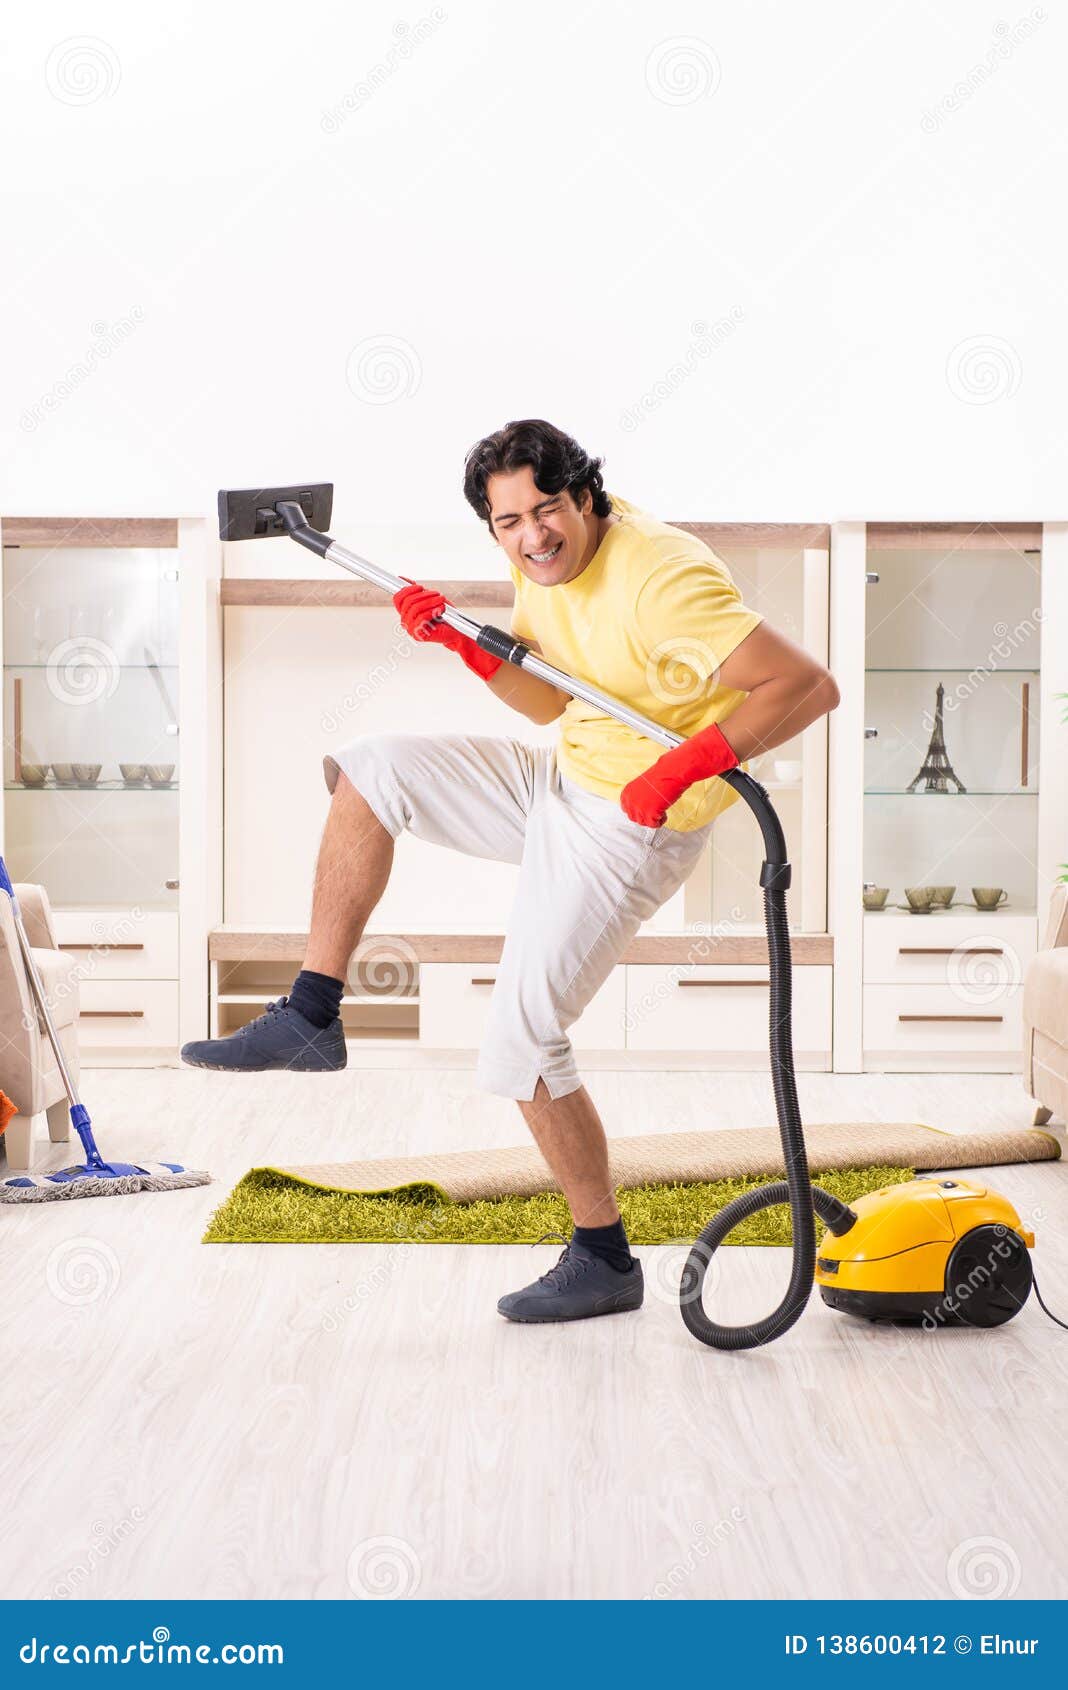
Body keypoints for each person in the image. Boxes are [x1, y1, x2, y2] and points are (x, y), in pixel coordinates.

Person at [182, 419, 839, 1323]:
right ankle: (310, 1015)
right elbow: (549, 699)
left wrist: (678, 770)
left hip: (633, 823)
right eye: (509, 521)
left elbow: (807, 686)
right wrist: (467, 646)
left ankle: (605, 1258)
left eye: (549, 509)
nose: (533, 535)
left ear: (586, 497)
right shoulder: (546, 569)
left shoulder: (662, 577)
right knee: (371, 769)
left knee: (522, 1042)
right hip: (565, 778)